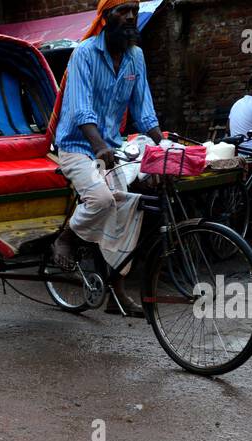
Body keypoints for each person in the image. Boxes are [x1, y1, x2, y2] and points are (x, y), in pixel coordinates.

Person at [51, 0, 163, 317]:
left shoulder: (135, 57)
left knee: (128, 208)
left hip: (112, 148)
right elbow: (79, 107)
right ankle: (66, 238)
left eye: (133, 9)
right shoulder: (85, 53)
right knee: (101, 200)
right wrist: (98, 145)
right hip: (77, 146)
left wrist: (164, 145)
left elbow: (144, 111)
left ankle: (116, 293)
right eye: (121, 10)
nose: (129, 16)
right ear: (105, 17)